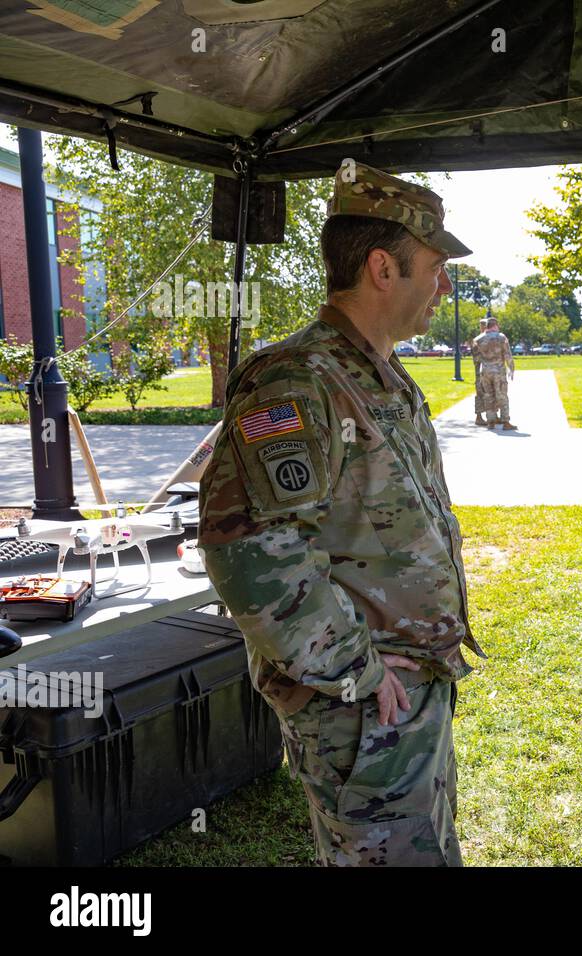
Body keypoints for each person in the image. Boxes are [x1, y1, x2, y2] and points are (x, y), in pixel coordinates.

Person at [199, 161, 484, 866]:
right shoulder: (296, 382)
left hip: (407, 694)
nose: (444, 285)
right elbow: (252, 554)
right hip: (363, 707)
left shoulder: (376, 374)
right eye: (434, 266)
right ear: (383, 268)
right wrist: (357, 670)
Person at [472, 317, 516, 430]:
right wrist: (511, 368)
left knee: (488, 396)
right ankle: (505, 421)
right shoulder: (501, 337)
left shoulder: (478, 339)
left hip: (485, 372)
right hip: (498, 371)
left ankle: (490, 421)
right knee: (502, 395)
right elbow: (507, 355)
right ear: (495, 325)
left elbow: (476, 360)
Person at [472, 316, 489, 427]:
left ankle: (492, 416)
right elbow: (476, 358)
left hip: (489, 371)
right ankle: (479, 417)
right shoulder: (477, 340)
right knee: (480, 393)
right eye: (483, 326)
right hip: (480, 371)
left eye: (486, 326)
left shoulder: (489, 338)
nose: (484, 328)